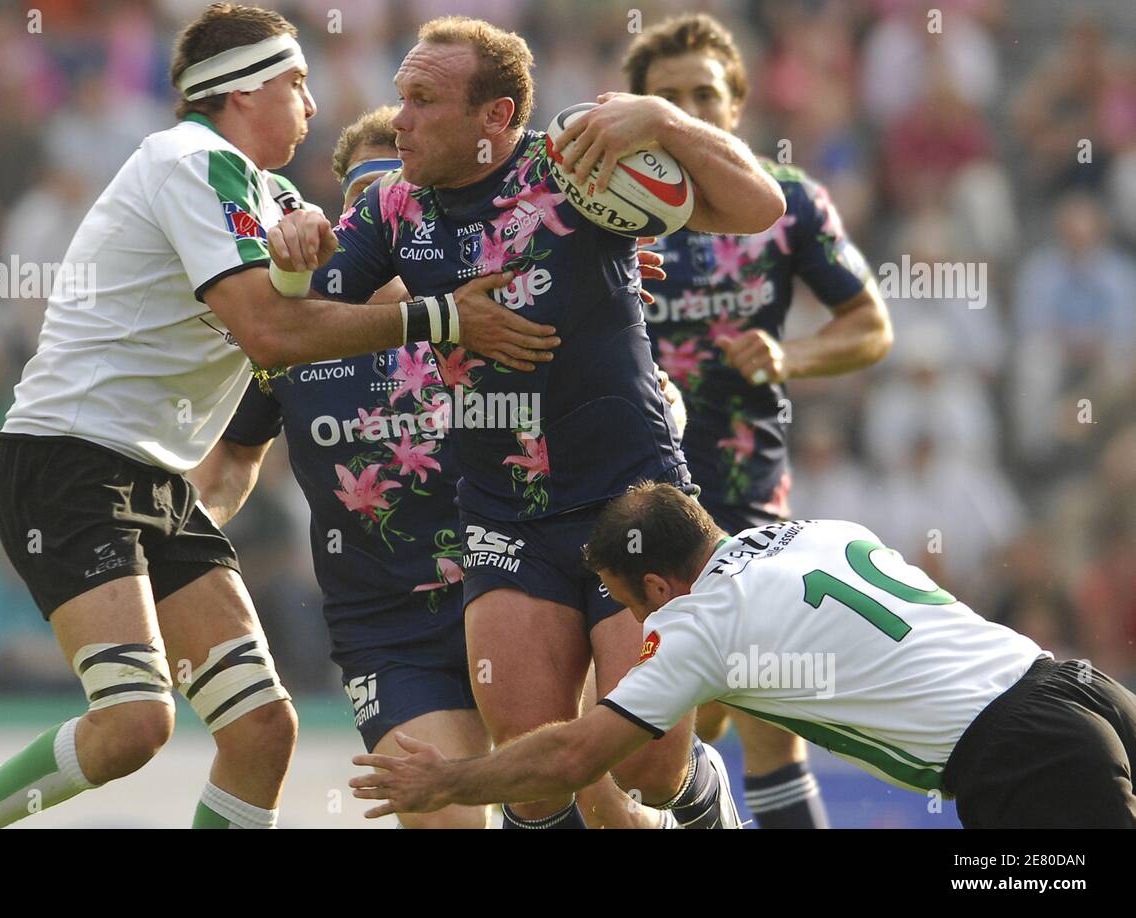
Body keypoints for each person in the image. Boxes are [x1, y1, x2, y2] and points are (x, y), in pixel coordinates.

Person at [0, 3, 555, 830]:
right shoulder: (189, 157)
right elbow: (273, 333)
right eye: (296, 83)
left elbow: (339, 307)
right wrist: (442, 315)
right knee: (135, 723)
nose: (313, 106)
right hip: (69, 456)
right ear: (244, 90)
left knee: (262, 729)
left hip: (152, 475)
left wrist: (537, 275)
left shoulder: (270, 194)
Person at [316, 15, 783, 829]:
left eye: (424, 101)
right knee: (529, 780)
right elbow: (308, 311)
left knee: (647, 768)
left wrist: (666, 120)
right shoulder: (393, 207)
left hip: (631, 501)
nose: (401, 121)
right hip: (504, 516)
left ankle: (706, 804)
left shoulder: (575, 168)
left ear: (496, 117)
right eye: (401, 99)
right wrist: (303, 257)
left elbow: (758, 206)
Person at [195, 107, 687, 829]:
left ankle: (696, 800)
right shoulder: (298, 337)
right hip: (393, 630)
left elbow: (620, 397)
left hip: (530, 585)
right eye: (371, 198)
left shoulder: (505, 309)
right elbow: (231, 460)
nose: (397, 219)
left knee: (615, 802)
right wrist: (183, 541)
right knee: (447, 819)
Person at [352, 483, 1136, 829]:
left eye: (629, 605)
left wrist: (449, 780)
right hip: (1082, 691)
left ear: (658, 584)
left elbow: (577, 753)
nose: (635, 622)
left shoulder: (697, 623)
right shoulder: (826, 533)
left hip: (1025, 759)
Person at [623, 12, 893, 828]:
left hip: (750, 493)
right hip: (636, 497)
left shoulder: (791, 202)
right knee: (665, 731)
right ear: (637, 114)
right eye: (666, 98)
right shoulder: (607, 210)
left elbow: (870, 325)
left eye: (705, 93)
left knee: (769, 714)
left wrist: (788, 356)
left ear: (736, 105)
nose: (688, 109)